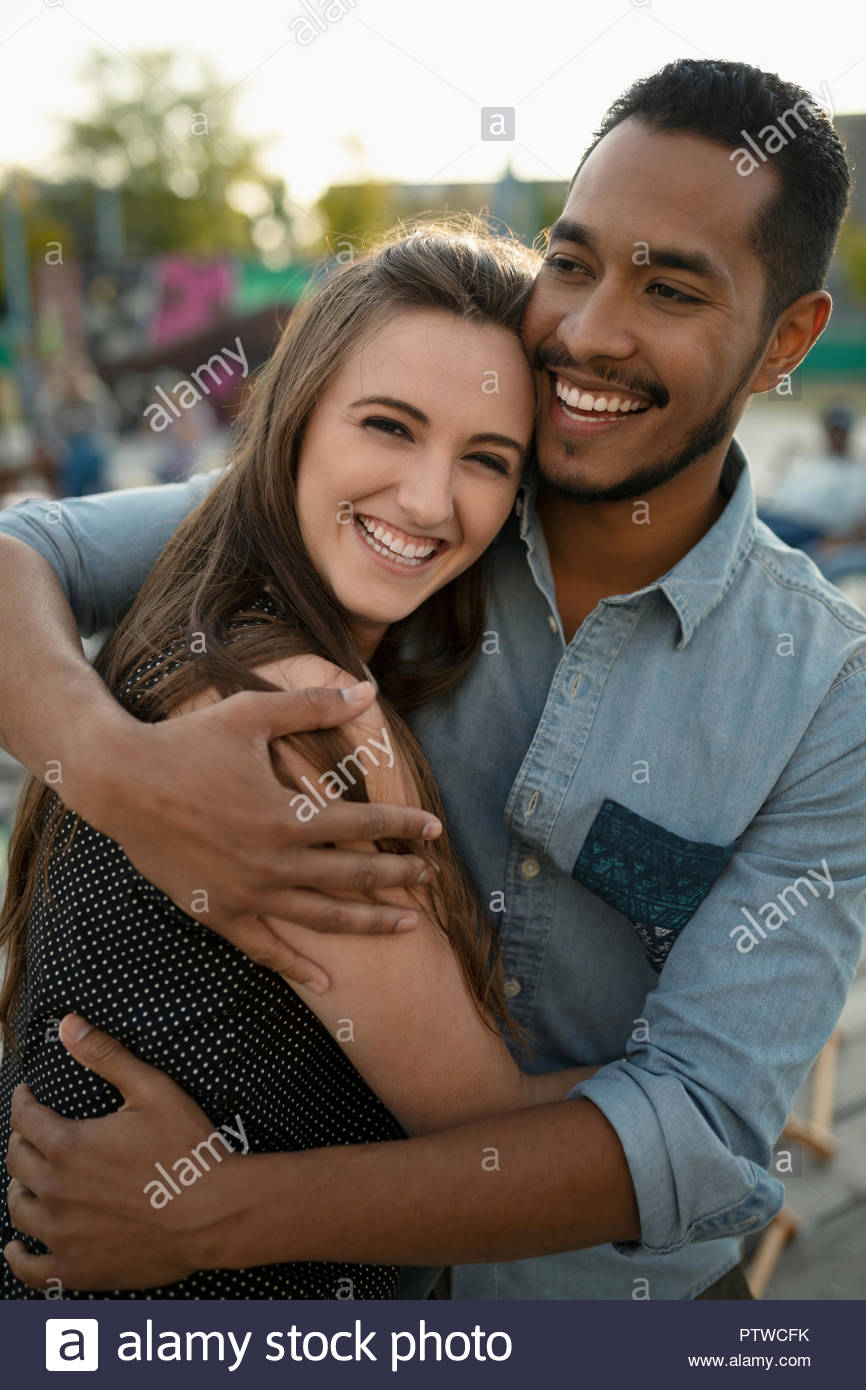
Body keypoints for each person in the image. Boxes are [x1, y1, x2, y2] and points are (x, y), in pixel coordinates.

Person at [2, 59, 865, 1302]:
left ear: (784, 338)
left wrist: (222, 1214)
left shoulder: (825, 700)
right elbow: (27, 550)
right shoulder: (387, 527)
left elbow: (699, 1131)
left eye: (669, 286)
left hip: (612, 1307)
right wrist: (120, 768)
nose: (587, 328)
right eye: (570, 263)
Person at [0, 222, 600, 1299]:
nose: (426, 499)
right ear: (297, 415)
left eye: (485, 460)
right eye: (387, 425)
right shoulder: (294, 714)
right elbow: (485, 1135)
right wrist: (720, 1088)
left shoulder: (196, 610)